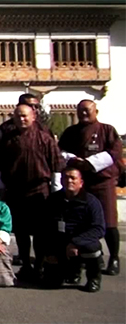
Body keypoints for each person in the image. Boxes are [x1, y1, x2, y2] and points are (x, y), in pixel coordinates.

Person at [0, 104, 64, 281]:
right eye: (18, 116)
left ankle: (39, 265)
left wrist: (56, 191)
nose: (21, 119)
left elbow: (56, 165)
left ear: (34, 116)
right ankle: (25, 264)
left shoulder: (45, 138)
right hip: (16, 190)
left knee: (41, 232)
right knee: (21, 231)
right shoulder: (8, 139)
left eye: (25, 116)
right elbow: (0, 165)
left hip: (40, 191)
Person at [58, 99, 124, 276]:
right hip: (79, 183)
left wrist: (91, 163)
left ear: (96, 111)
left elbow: (115, 152)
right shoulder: (71, 132)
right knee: (81, 221)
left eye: (87, 110)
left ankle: (114, 258)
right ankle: (92, 255)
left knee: (109, 222)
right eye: (80, 111)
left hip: (102, 182)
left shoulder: (107, 130)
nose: (84, 114)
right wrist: (73, 160)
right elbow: (61, 151)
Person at [40, 162, 106, 292]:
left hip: (82, 243)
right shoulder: (53, 200)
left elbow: (99, 228)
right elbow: (44, 227)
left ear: (81, 182)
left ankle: (93, 278)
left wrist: (76, 243)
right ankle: (70, 272)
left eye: (73, 178)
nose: (69, 180)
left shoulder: (91, 202)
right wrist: (49, 252)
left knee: (92, 248)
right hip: (60, 242)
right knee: (51, 284)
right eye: (66, 177)